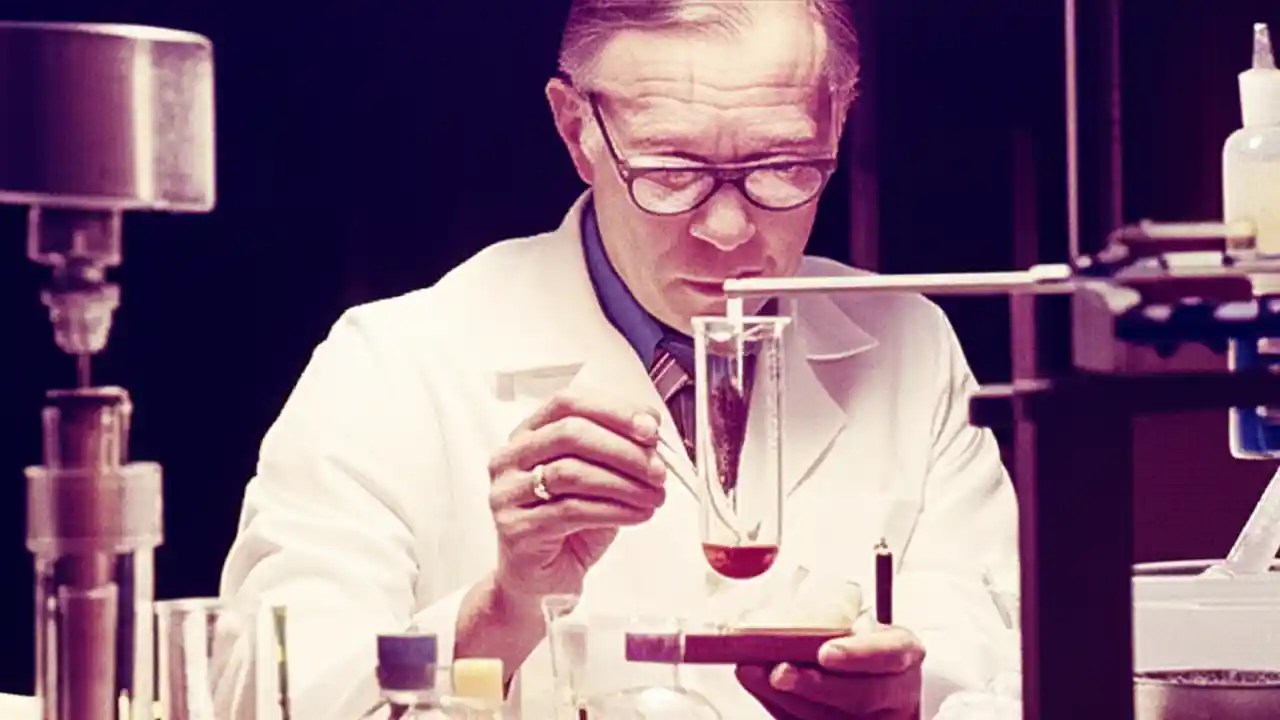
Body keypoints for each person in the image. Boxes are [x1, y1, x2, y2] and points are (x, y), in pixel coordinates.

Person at [218, 1, 1021, 719]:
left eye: (782, 169)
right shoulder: (392, 366)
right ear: (577, 132)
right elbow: (272, 697)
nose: (730, 232)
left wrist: (907, 701)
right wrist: (506, 606)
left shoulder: (910, 346)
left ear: (839, 121)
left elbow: (1004, 670)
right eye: (671, 172)